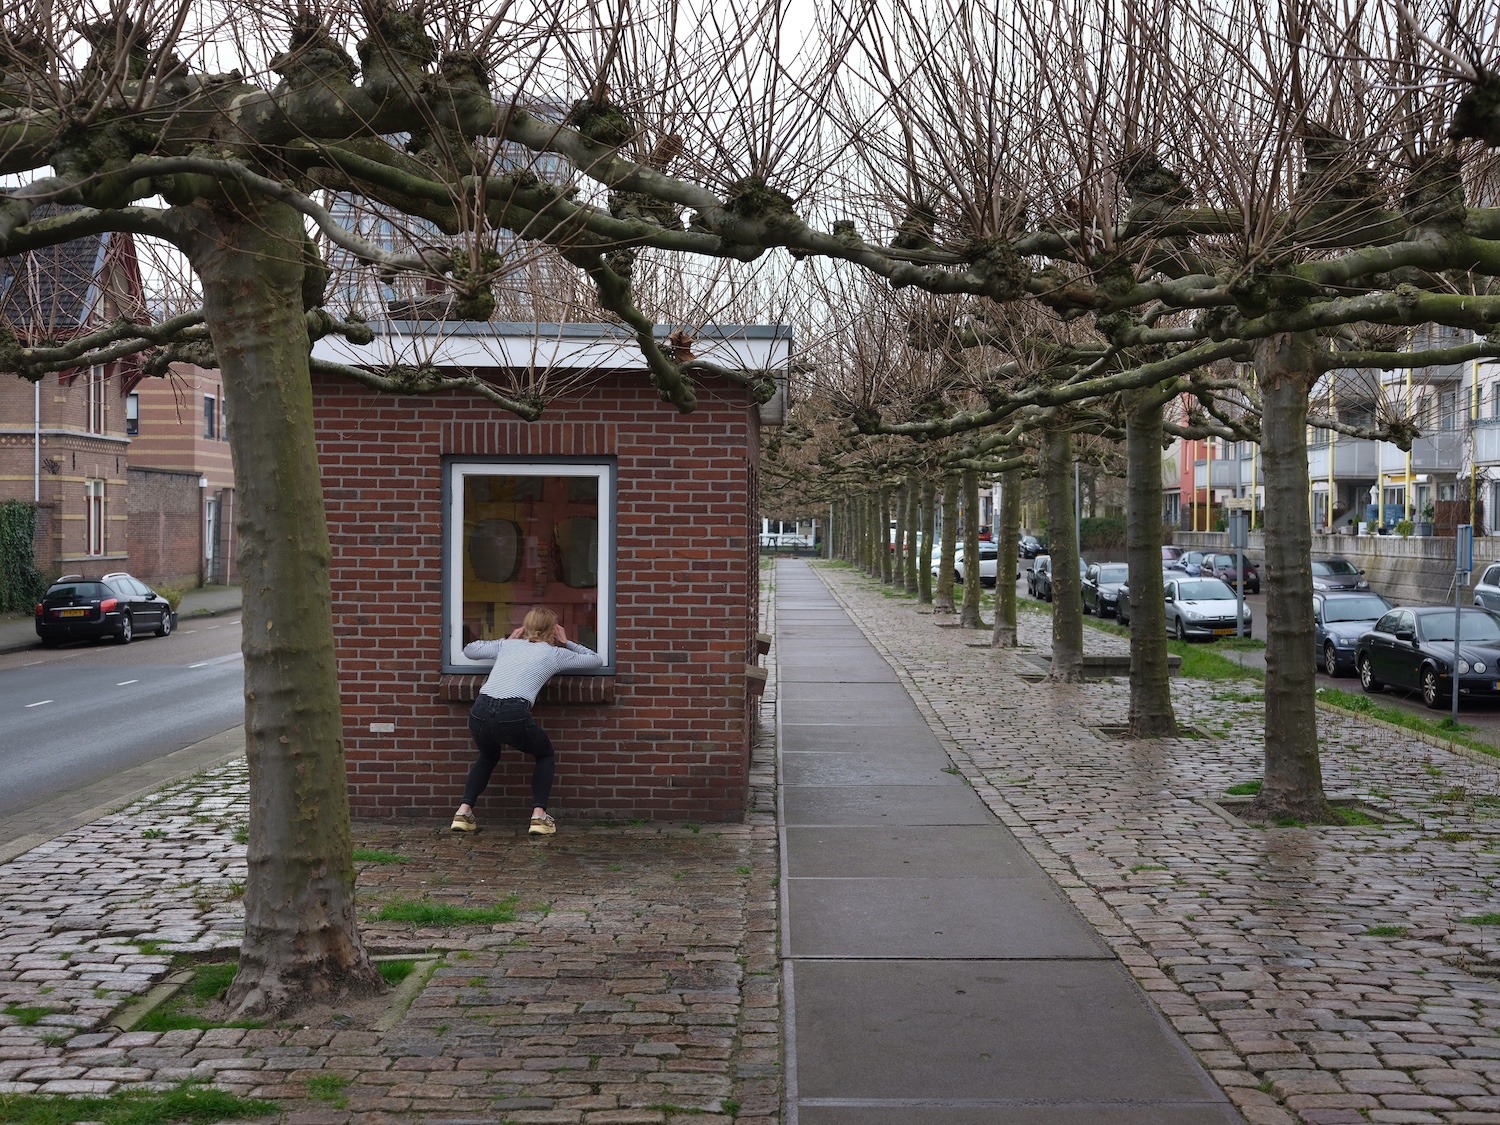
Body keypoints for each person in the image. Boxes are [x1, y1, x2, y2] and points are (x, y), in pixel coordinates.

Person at [450, 606, 603, 836]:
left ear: (525, 627)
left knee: (488, 755)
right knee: (544, 754)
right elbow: (595, 660)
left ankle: (463, 811)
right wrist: (567, 641)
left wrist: (508, 638)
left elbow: (470, 649)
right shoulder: (554, 653)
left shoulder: (507, 645)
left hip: (480, 710)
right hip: (513, 712)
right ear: (553, 630)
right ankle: (538, 816)